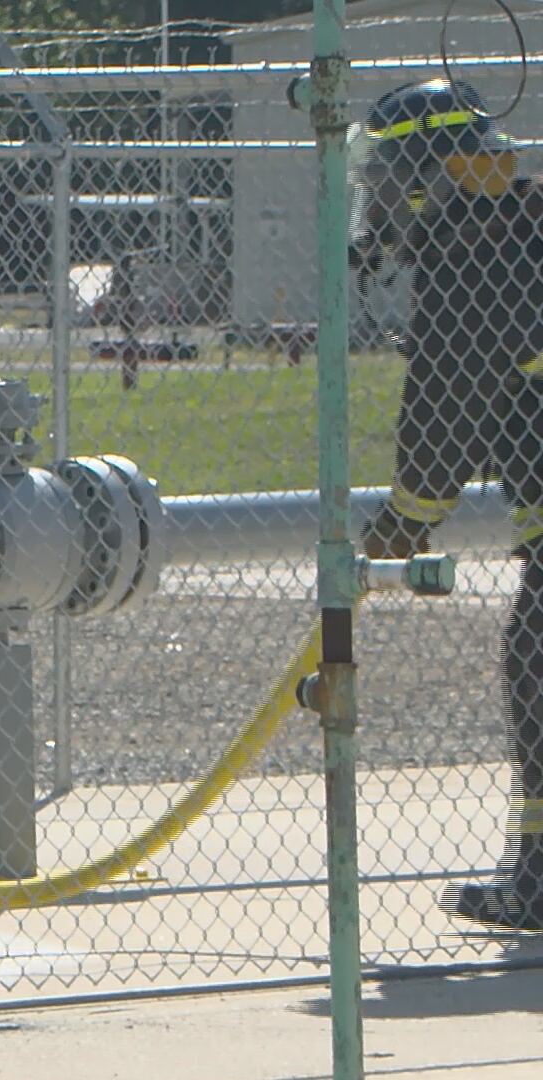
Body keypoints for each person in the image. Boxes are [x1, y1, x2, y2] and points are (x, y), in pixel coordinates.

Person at [352, 78, 543, 931]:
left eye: (386, 180)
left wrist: (398, 527)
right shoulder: (517, 224)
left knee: (537, 666)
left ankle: (539, 884)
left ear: (425, 174)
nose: (378, 202)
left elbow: (444, 414)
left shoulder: (475, 251)